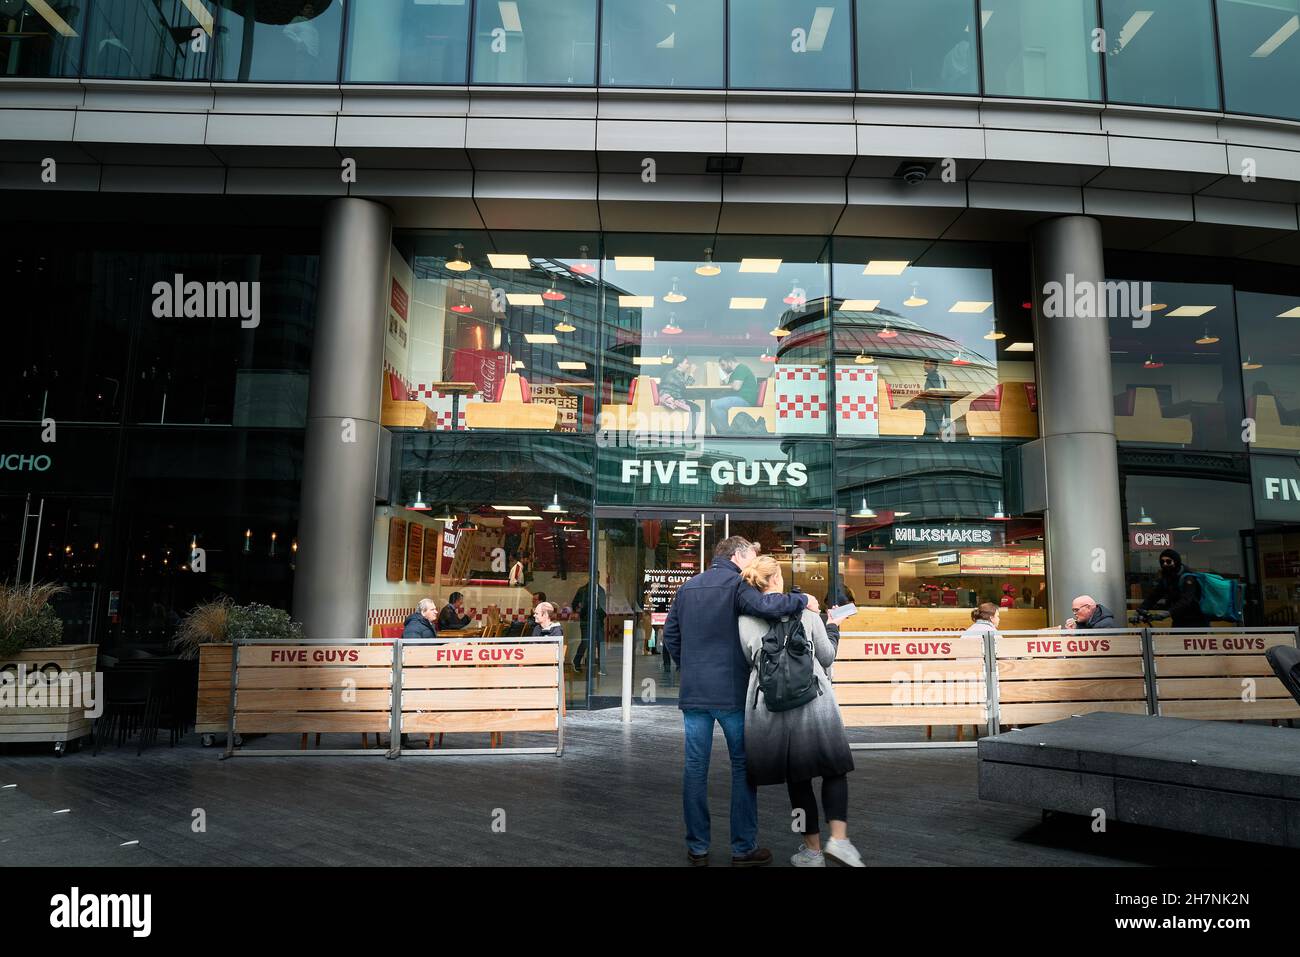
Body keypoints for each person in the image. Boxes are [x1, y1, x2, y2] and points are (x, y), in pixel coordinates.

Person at [663, 535, 819, 867]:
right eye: (752, 555)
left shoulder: (688, 588)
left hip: (695, 694)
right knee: (743, 770)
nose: (753, 563)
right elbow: (768, 606)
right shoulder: (737, 585)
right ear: (738, 555)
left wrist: (689, 668)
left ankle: (698, 847)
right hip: (732, 693)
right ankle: (743, 847)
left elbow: (670, 636)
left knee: (694, 769)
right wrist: (801, 598)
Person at [738, 557, 861, 867]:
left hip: (772, 707)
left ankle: (812, 850)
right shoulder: (806, 611)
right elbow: (826, 656)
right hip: (815, 702)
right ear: (776, 579)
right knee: (833, 769)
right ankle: (840, 840)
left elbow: (751, 656)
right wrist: (832, 627)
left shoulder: (744, 618)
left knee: (798, 778)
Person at [1138, 548, 1208, 628]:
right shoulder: (1167, 579)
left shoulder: (1188, 578)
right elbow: (1154, 596)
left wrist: (1169, 613)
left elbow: (1186, 600)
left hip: (1196, 621)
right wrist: (1141, 610)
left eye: (1168, 561)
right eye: (1162, 562)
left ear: (1176, 561)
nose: (1165, 564)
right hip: (1178, 620)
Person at [711, 353, 759, 434]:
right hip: (740, 398)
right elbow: (730, 386)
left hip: (746, 400)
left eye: (723, 365)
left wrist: (727, 384)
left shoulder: (741, 368)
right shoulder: (735, 372)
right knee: (711, 409)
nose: (723, 368)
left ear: (730, 362)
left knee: (717, 405)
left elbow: (736, 386)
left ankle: (725, 433)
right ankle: (722, 432)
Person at [571, 577, 607, 675]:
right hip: (586, 619)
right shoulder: (583, 590)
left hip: (598, 620)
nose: (596, 579)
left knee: (601, 643)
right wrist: (579, 611)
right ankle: (576, 662)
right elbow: (574, 603)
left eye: (598, 576)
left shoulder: (601, 590)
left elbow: (604, 605)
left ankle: (602, 667)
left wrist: (602, 615)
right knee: (586, 642)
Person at [658, 355, 700, 436]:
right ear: (679, 364)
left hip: (671, 397)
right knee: (696, 408)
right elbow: (686, 386)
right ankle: (690, 433)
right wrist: (692, 373)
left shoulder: (674, 373)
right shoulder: (675, 373)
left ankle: (690, 432)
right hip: (672, 399)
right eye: (686, 363)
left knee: (694, 407)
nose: (688, 366)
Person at [920, 358, 951, 438]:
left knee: (933, 440)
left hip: (936, 416)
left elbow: (943, 397)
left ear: (933, 366)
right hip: (930, 415)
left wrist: (945, 423)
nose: (924, 366)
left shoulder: (938, 377)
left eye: (926, 363)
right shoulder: (930, 377)